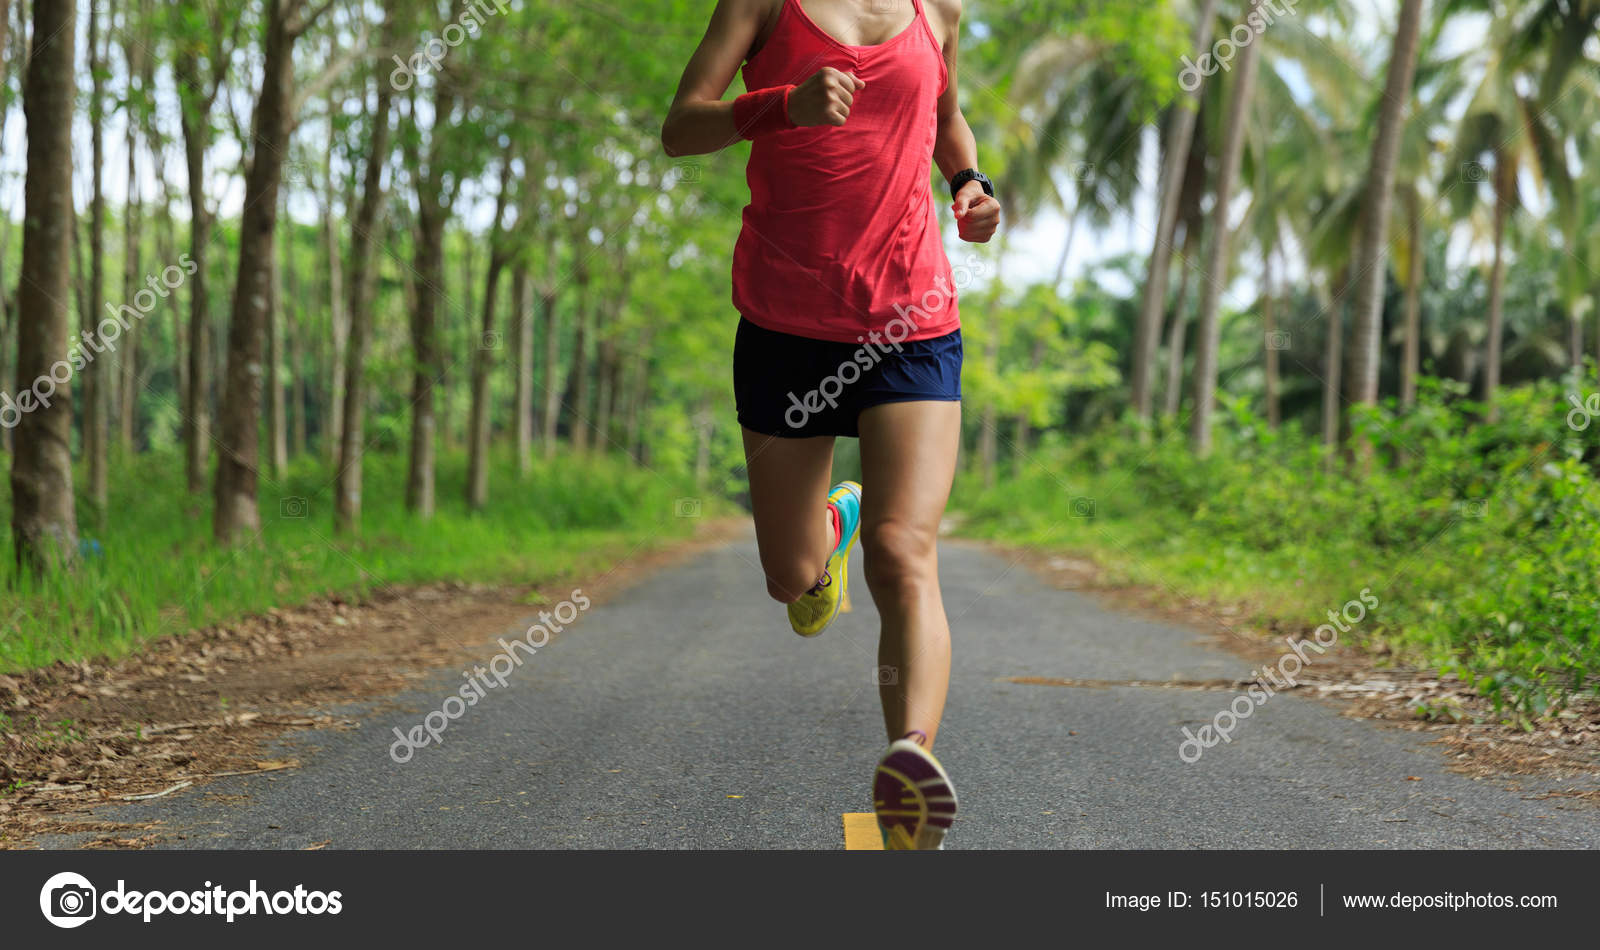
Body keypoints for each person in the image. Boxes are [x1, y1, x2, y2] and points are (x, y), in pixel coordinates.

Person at [662, 0, 1000, 850]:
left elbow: (944, 116)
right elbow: (680, 126)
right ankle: (830, 525)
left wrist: (969, 183)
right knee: (790, 578)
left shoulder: (939, 10)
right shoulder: (761, 5)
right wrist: (781, 104)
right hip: (785, 325)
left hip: (911, 320)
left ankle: (910, 766)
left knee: (902, 550)